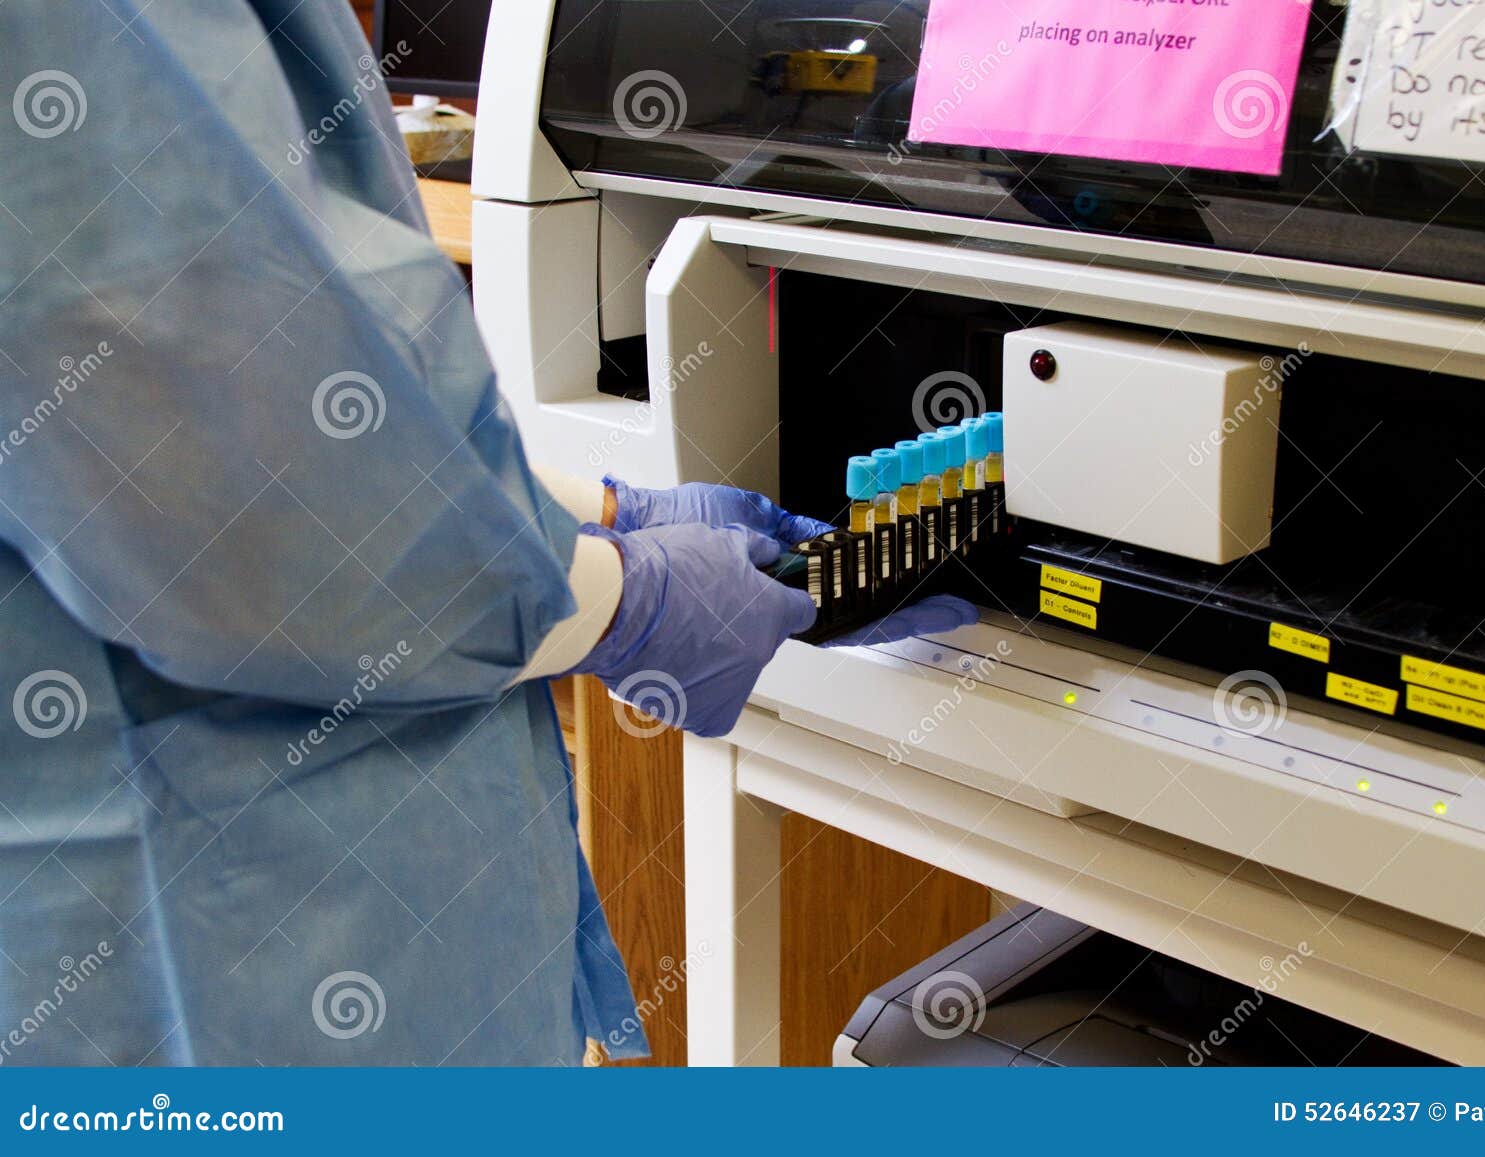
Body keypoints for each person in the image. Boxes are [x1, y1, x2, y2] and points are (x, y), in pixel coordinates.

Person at [0, 0, 974, 1065]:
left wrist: (599, 512)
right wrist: (621, 598)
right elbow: (237, 490)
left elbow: (309, 402)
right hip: (238, 936)